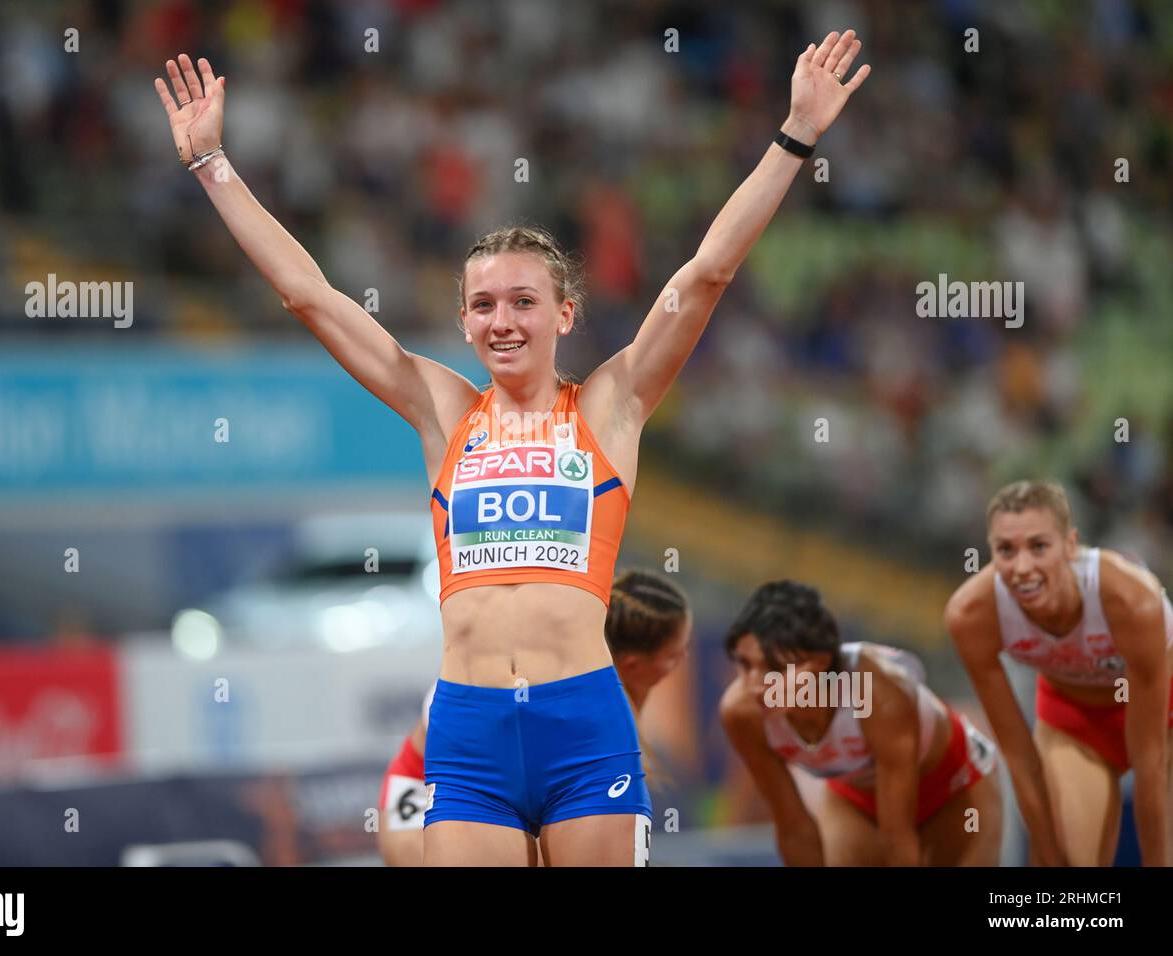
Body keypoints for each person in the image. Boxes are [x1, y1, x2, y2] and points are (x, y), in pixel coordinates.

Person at [153, 31, 869, 866]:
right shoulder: (440, 410)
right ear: (463, 321)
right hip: (470, 732)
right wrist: (212, 165)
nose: (502, 321)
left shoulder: (612, 404)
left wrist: (793, 138)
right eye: (483, 304)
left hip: (583, 731)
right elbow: (309, 296)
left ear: (565, 315)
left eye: (524, 301)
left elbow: (706, 273)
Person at [377, 569, 691, 866]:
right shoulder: (546, 687)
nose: (683, 661)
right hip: (418, 796)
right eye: (675, 655)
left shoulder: (604, 702)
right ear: (636, 664)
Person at [945, 480, 1172, 866]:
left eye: (1038, 547)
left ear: (1070, 545)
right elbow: (1019, 757)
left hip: (1160, 712)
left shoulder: (1132, 602)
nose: (1022, 568)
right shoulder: (972, 616)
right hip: (1074, 721)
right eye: (1006, 550)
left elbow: (1150, 765)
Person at [720, 580, 1002, 866]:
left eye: (775, 669)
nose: (755, 685)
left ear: (819, 661)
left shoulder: (877, 695)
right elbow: (794, 829)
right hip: (858, 797)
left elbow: (898, 840)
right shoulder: (742, 714)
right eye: (745, 665)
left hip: (955, 785)